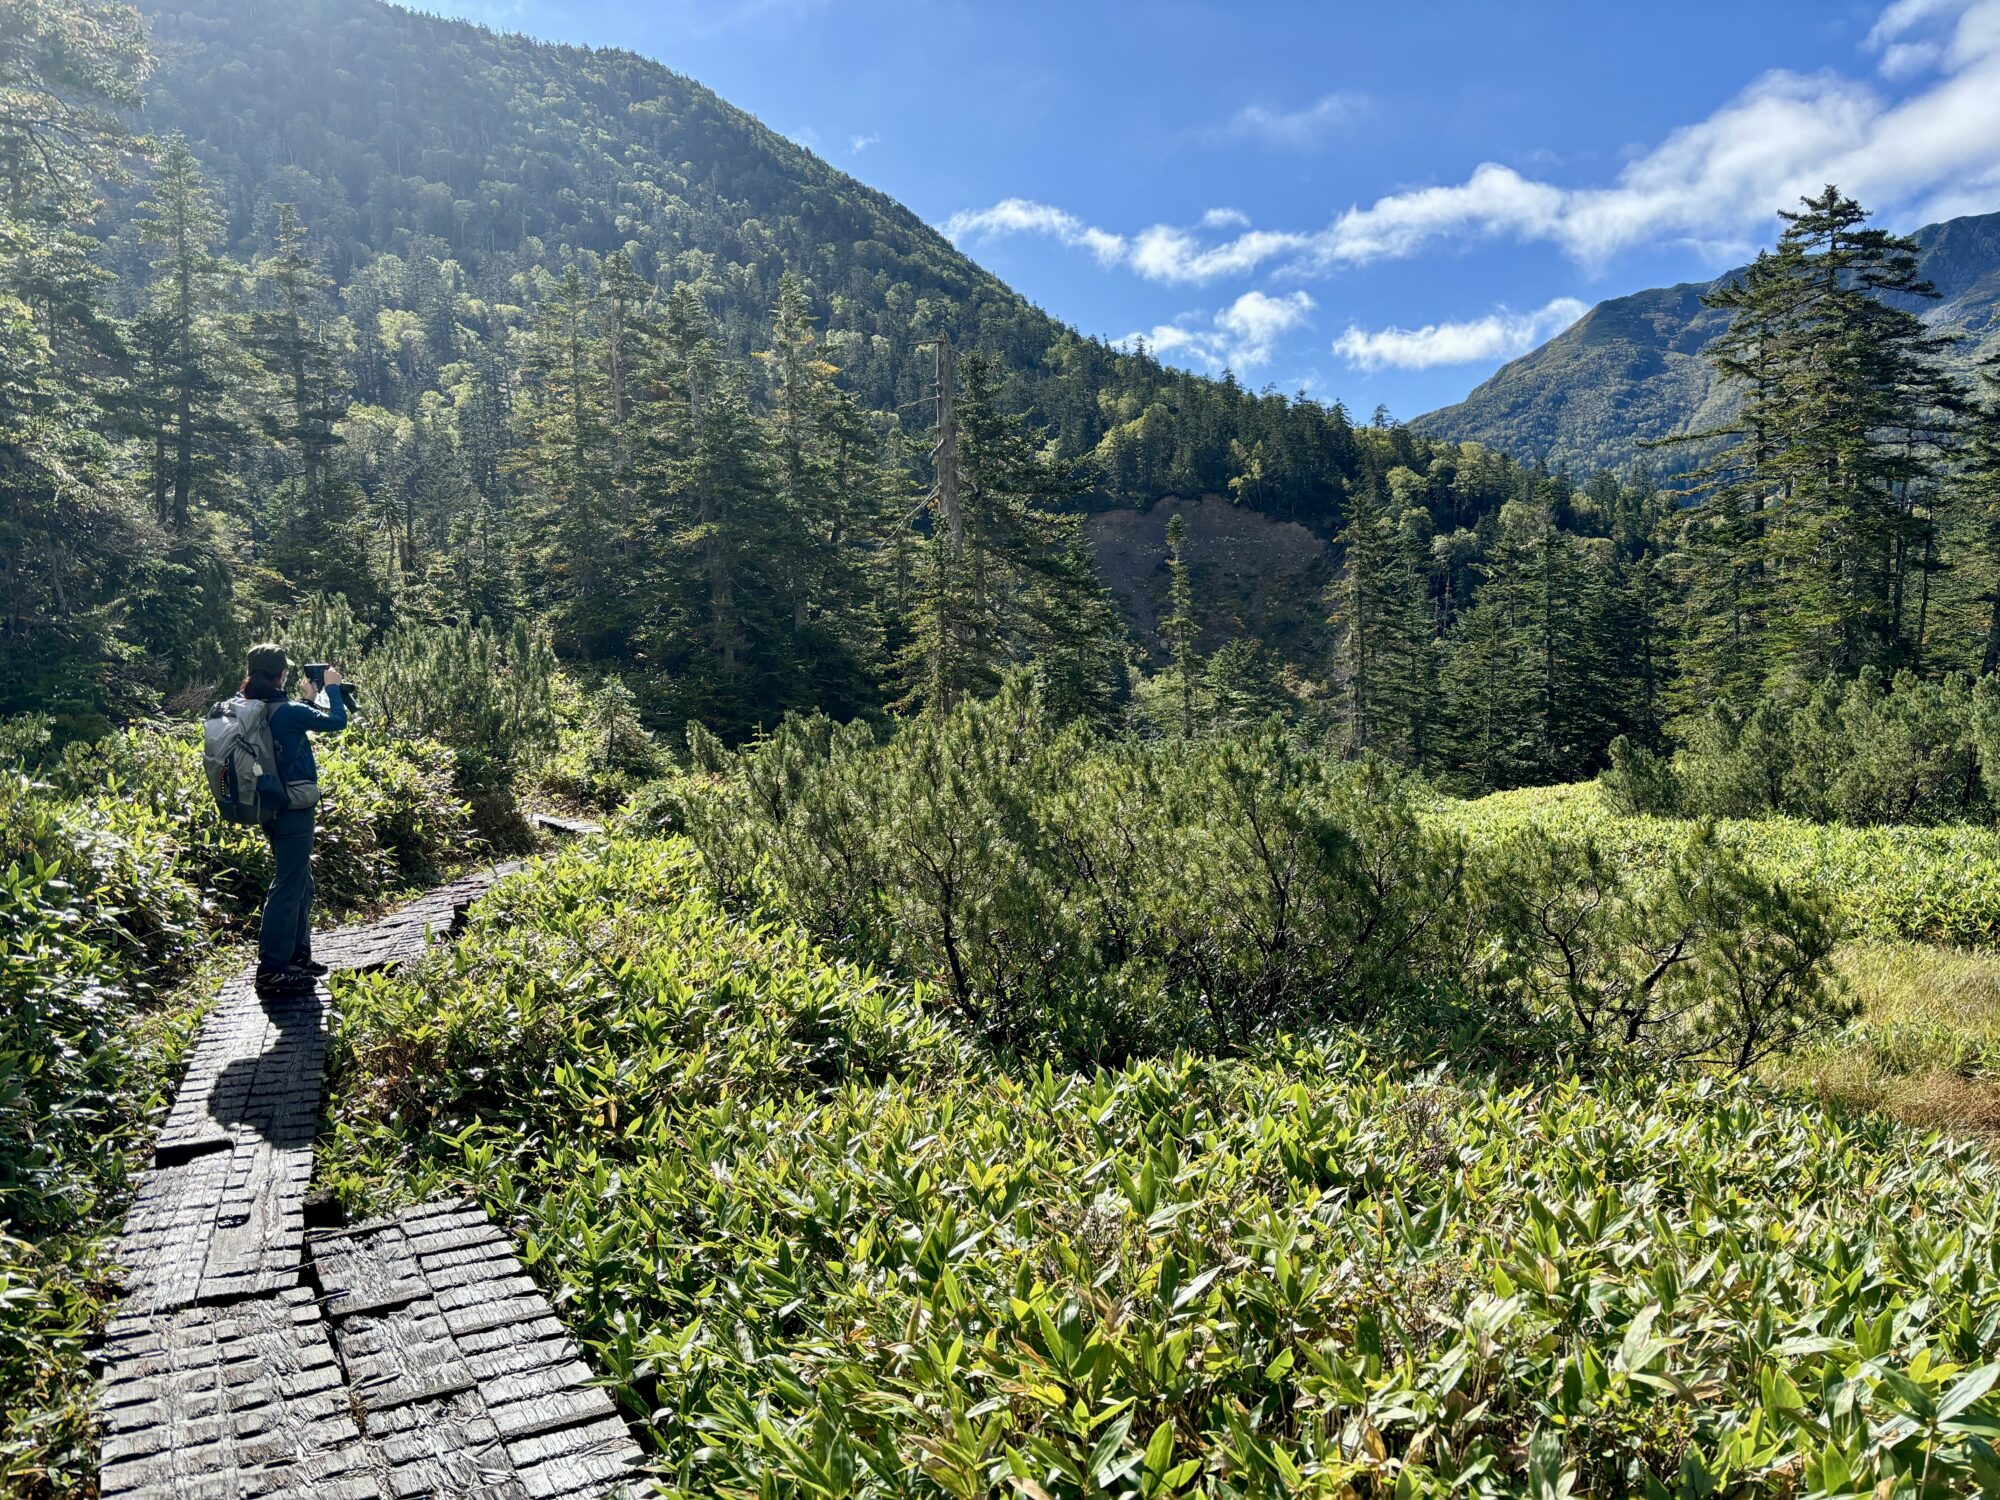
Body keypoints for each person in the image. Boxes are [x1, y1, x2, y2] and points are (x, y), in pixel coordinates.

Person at [239, 643, 347, 997]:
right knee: (288, 884)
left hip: (267, 803)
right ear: (280, 674)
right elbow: (337, 722)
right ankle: (272, 969)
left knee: (301, 881)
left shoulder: (252, 707)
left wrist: (309, 698)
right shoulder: (287, 711)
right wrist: (332, 686)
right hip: (293, 807)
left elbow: (291, 728)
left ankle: (298, 956)